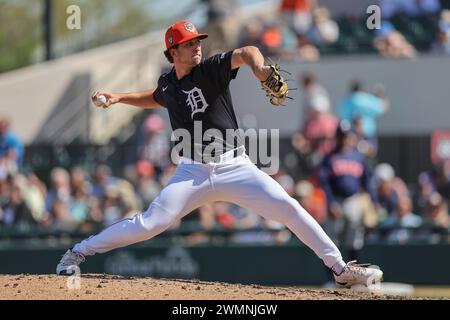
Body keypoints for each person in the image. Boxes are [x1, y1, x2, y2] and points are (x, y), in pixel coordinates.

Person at [56, 21, 382, 288]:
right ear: (173, 51)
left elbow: (246, 51)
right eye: (188, 43)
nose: (196, 45)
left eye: (197, 40)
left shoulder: (211, 69)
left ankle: (340, 269)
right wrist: (118, 97)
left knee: (288, 207)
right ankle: (77, 253)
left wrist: (260, 68)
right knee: (149, 224)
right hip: (192, 173)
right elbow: (155, 97)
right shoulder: (169, 84)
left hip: (234, 166)